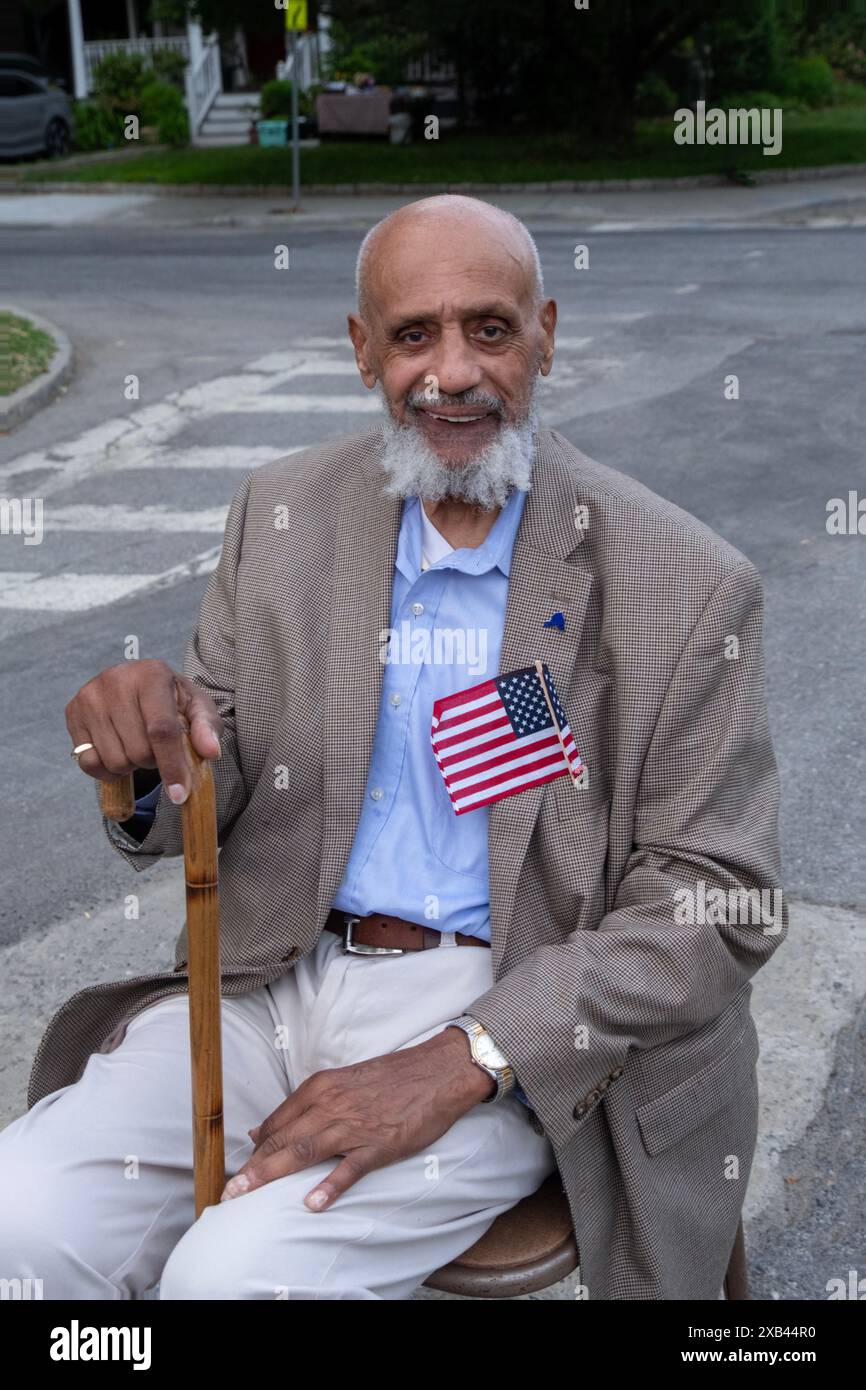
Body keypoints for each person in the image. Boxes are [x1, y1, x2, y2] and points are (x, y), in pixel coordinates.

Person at [0, 194, 787, 1300]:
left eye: (490, 329)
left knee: (232, 1276)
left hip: (500, 1011)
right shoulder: (281, 512)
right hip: (269, 977)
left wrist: (469, 1055)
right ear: (362, 350)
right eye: (414, 334)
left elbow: (719, 900)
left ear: (546, 333)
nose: (452, 372)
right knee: (19, 1221)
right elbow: (206, 781)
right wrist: (149, 756)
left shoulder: (683, 580)